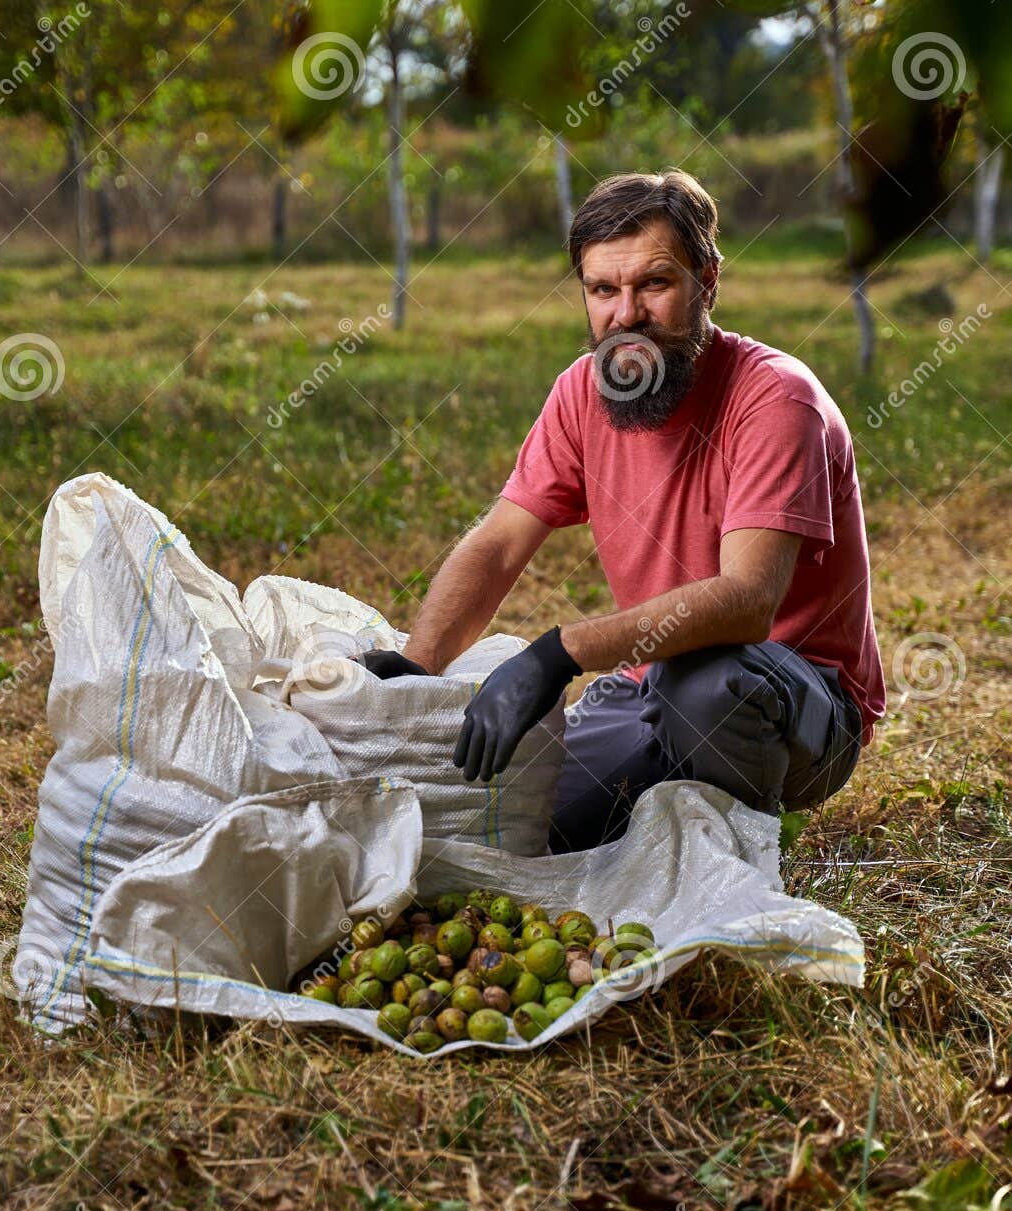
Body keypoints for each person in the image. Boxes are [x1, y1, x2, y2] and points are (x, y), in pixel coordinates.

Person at [363, 170, 885, 852]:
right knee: (512, 831)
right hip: (646, 688)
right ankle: (657, 800)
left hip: (794, 703)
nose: (625, 314)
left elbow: (746, 601)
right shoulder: (580, 393)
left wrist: (556, 654)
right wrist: (420, 666)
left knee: (705, 685)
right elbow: (497, 545)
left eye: (654, 285)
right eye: (603, 290)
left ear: (708, 281)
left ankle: (736, 848)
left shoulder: (775, 400)